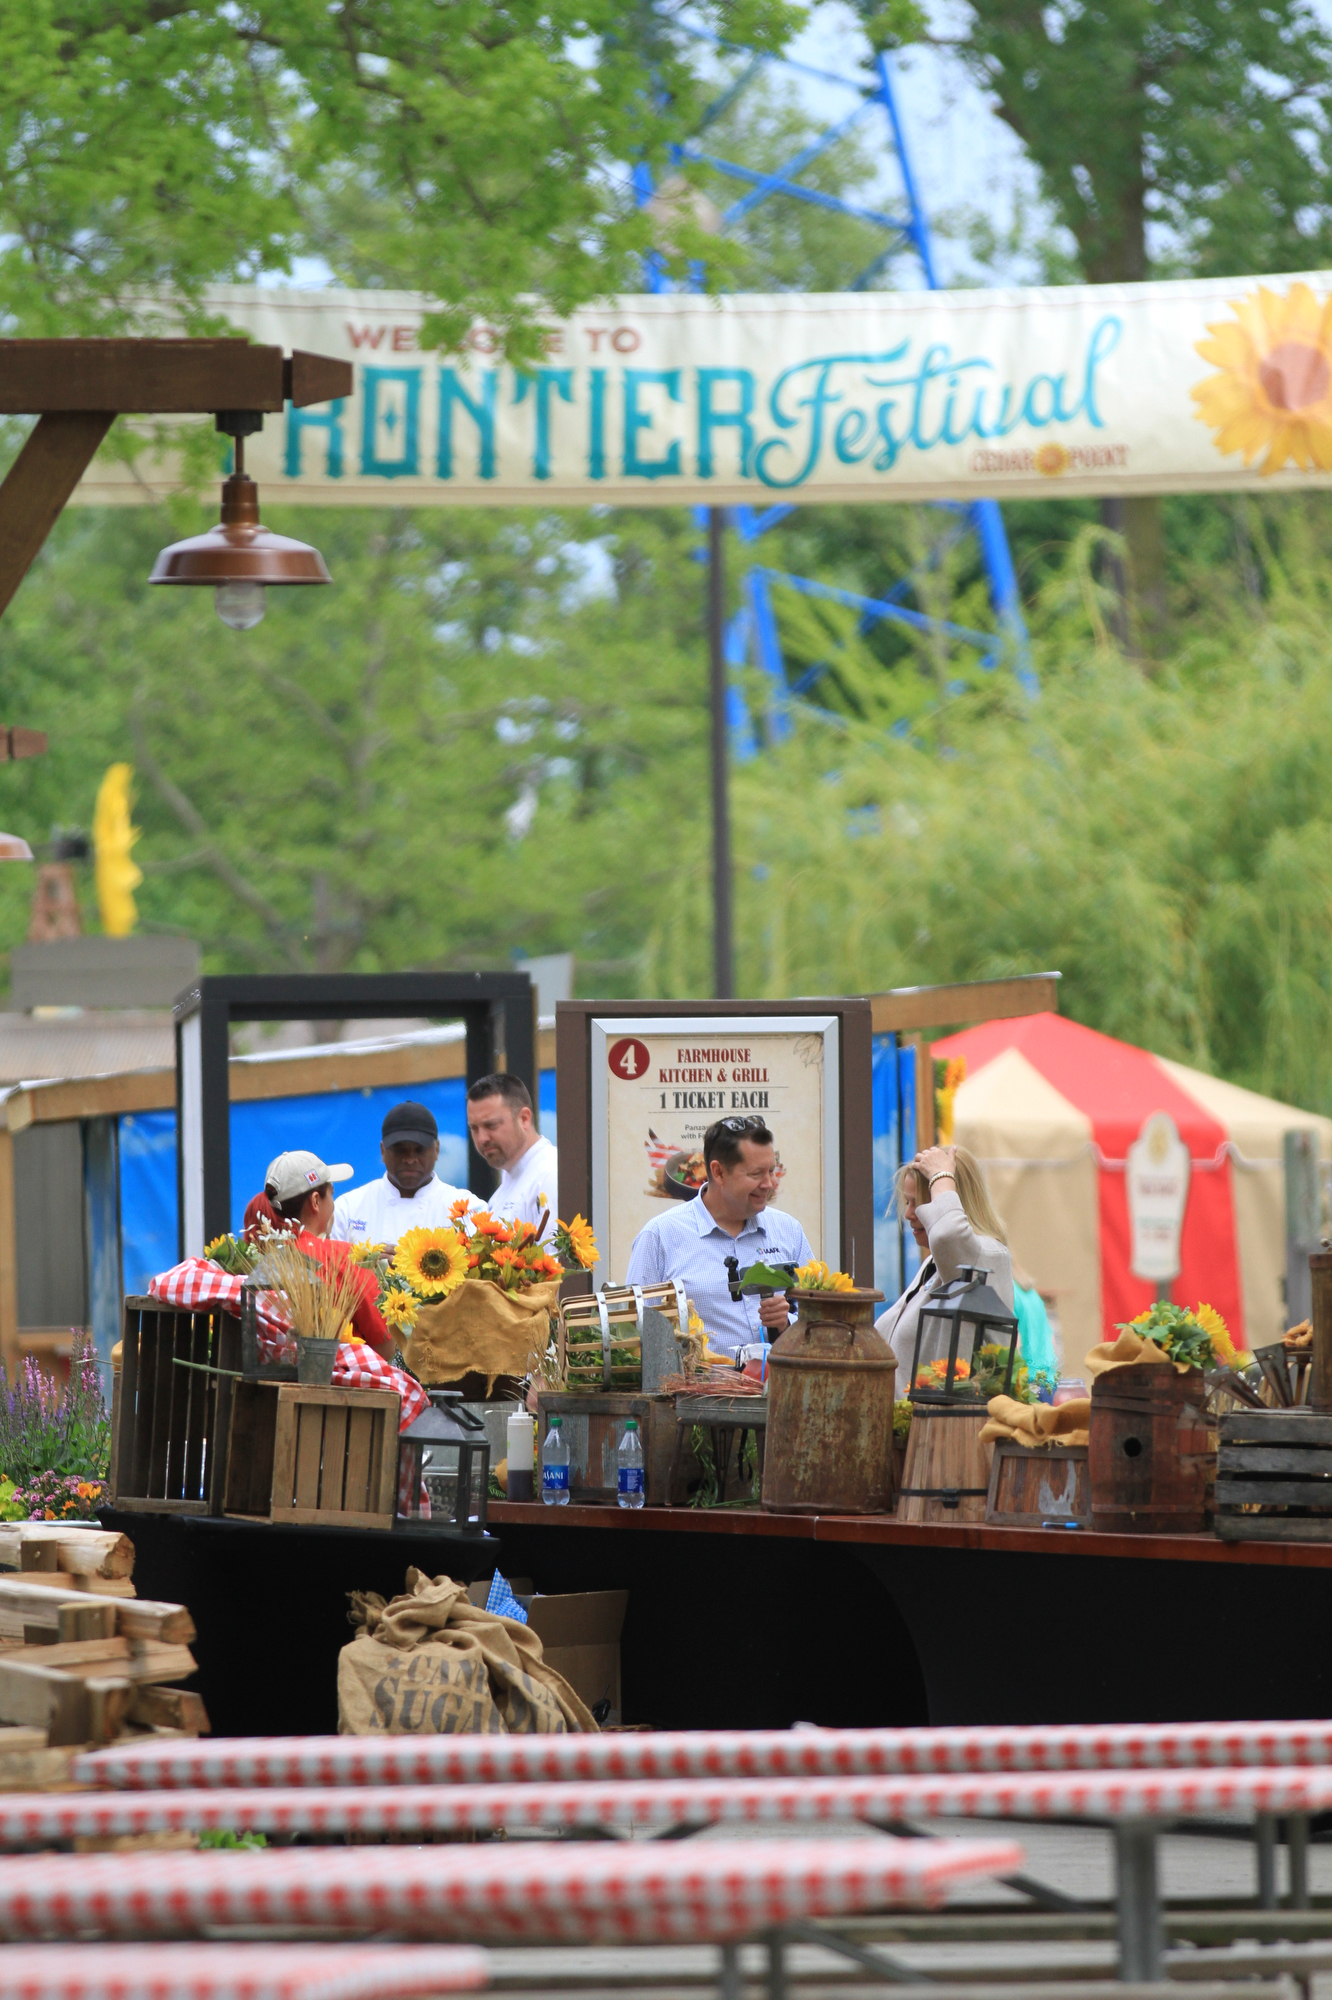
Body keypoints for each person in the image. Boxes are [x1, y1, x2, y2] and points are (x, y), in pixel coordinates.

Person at [624, 1115, 813, 1354]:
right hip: (697, 1390)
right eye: (756, 1174)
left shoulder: (789, 1231)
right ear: (718, 1172)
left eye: (771, 1171)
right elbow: (632, 1332)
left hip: (780, 1388)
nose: (769, 1183)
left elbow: (820, 1319)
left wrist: (786, 1323)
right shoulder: (659, 1235)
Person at [875, 1142, 1014, 1380]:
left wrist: (941, 1177)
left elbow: (948, 1234)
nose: (908, 1214)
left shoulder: (988, 1255)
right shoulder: (934, 1264)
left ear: (954, 1200)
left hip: (948, 1418)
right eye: (907, 1203)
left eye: (918, 1203)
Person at [244, 1149, 391, 1355]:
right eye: (331, 1193)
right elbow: (385, 1342)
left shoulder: (256, 1260)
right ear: (315, 1201)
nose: (333, 1203)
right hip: (339, 1382)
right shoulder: (346, 1258)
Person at [331, 1101, 481, 1247]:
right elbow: (326, 1267)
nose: (410, 1159)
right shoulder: (347, 1209)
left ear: (436, 1150)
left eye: (419, 1149)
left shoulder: (468, 1208)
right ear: (383, 1151)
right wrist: (368, 1266)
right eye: (400, 1150)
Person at [466, 1072, 558, 1230]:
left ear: (524, 1119)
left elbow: (557, 1254)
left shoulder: (550, 1176)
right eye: (474, 1129)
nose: (482, 1138)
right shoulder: (504, 1190)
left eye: (491, 1125)